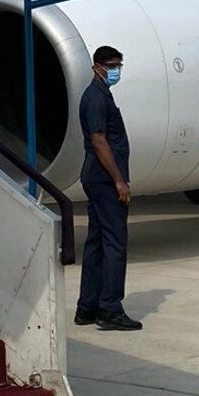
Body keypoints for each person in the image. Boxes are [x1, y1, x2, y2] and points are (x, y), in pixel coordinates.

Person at [74, 46, 142, 331]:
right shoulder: (96, 99)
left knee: (97, 242)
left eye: (119, 65)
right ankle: (110, 308)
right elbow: (100, 141)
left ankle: (88, 306)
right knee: (115, 243)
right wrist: (119, 181)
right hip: (104, 180)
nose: (116, 70)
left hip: (96, 177)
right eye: (111, 65)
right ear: (96, 67)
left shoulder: (100, 95)